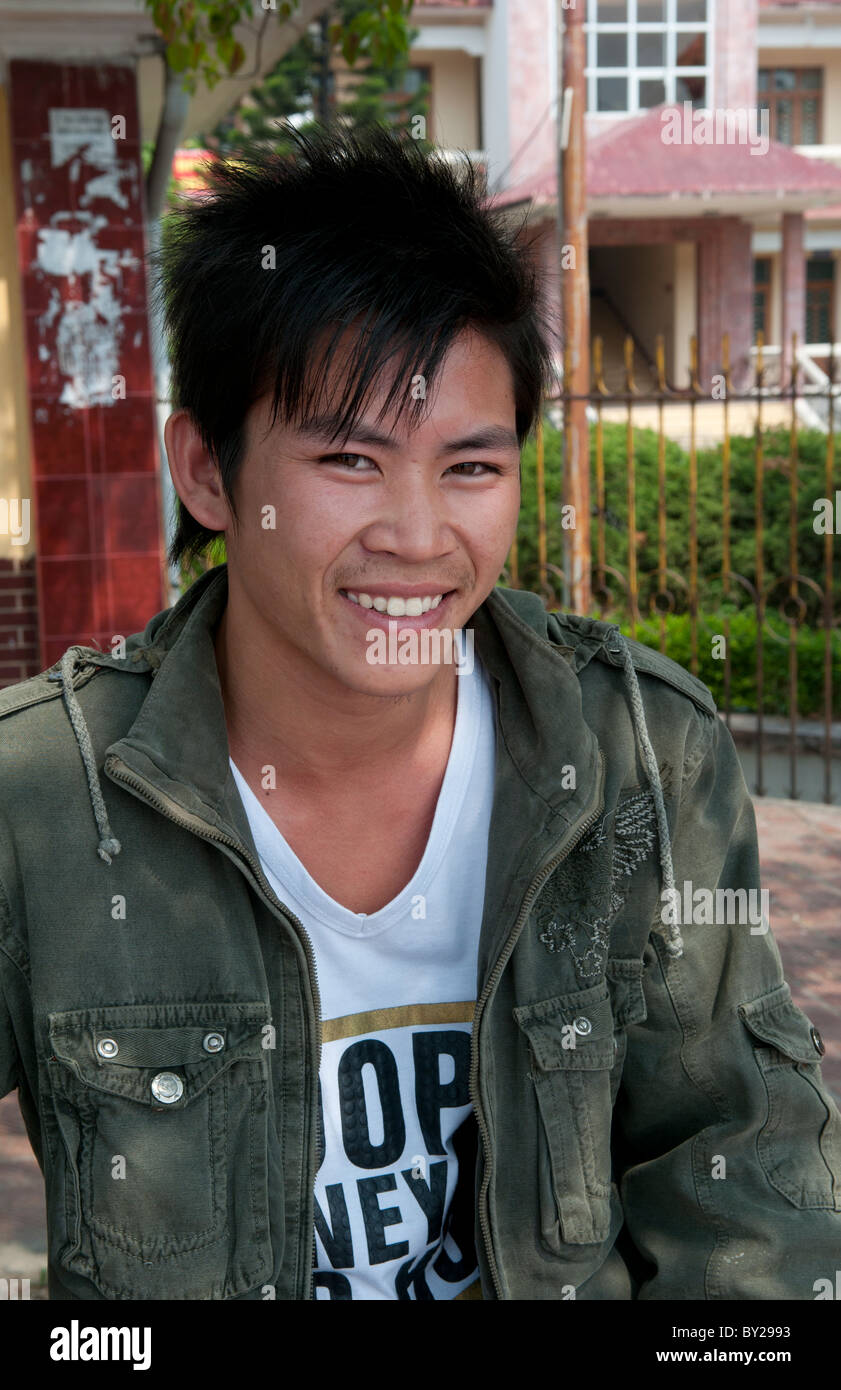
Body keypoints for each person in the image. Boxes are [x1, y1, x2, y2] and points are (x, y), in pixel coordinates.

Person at [0, 124, 838, 1302]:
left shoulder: (638, 752)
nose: (416, 534)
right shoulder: (46, 795)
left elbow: (744, 1185)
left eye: (471, 467)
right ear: (205, 470)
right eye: (349, 459)